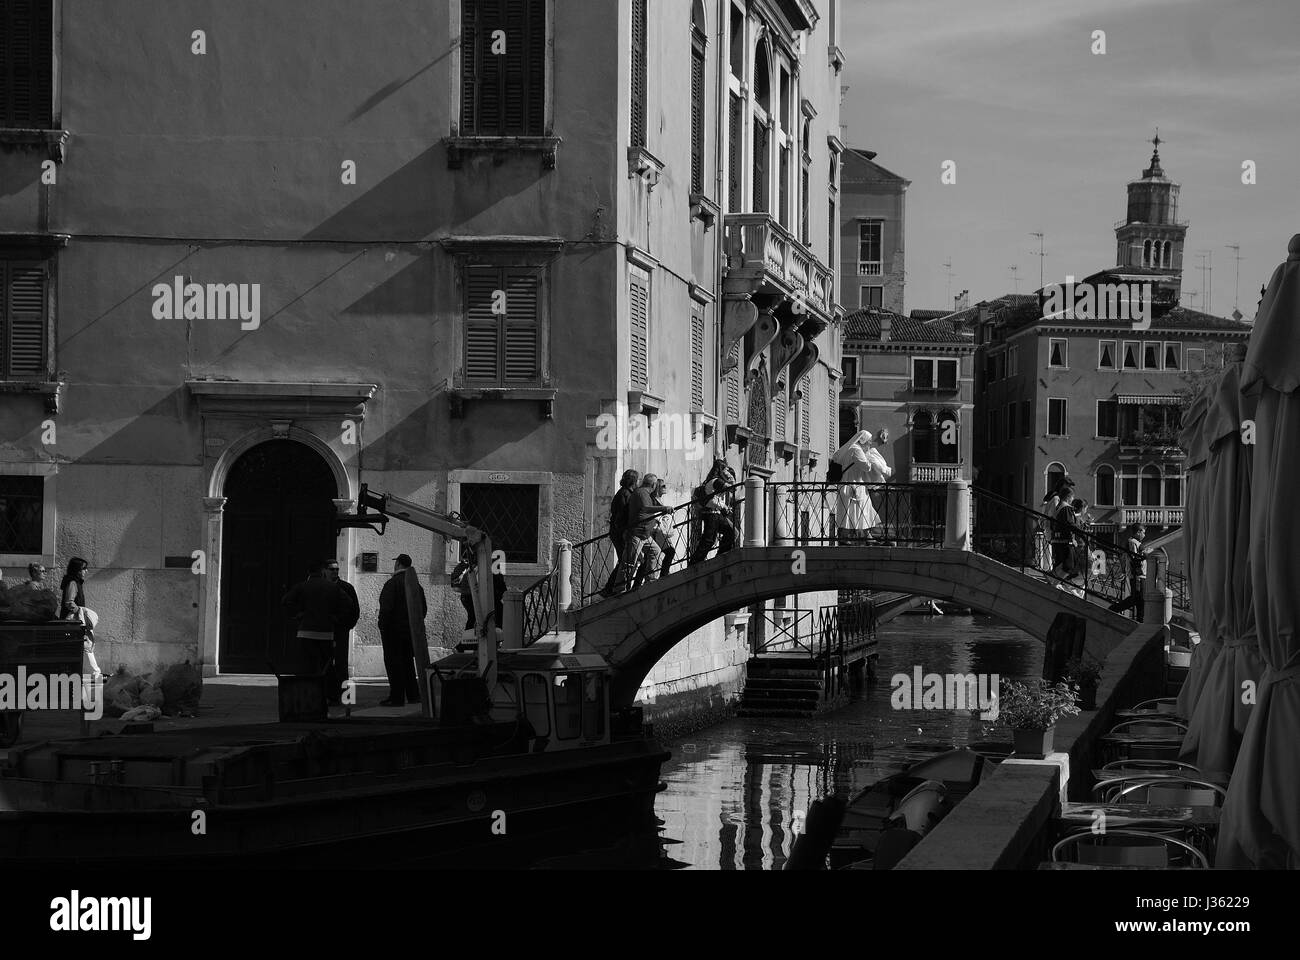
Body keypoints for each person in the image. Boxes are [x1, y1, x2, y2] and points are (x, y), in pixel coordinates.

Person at [281, 560, 347, 679]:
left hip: (306, 631)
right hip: (326, 632)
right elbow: (348, 604)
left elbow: (286, 602)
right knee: (326, 665)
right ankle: (328, 693)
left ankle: (308, 692)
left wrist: (298, 614)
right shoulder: (332, 587)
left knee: (306, 666)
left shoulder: (302, 586)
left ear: (309, 573)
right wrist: (336, 618)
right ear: (322, 572)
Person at [377, 554, 426, 706]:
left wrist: (382, 626)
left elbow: (386, 609)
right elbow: (423, 609)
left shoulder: (392, 584)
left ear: (398, 564)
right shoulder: (416, 585)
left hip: (393, 631)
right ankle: (413, 695)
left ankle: (396, 697)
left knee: (394, 664)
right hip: (410, 631)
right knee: (408, 663)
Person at [620, 474, 672, 590]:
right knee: (629, 563)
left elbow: (648, 509)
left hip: (645, 534)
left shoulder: (646, 494)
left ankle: (651, 581)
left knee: (656, 552)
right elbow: (645, 508)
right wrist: (663, 509)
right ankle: (619, 589)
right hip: (637, 533)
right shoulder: (641, 493)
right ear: (653, 485)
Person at [323, 559, 360, 706]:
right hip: (326, 631)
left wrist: (347, 626)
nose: (335, 572)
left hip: (341, 631)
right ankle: (331, 696)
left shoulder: (346, 587)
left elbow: (355, 609)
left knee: (342, 664)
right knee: (327, 664)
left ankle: (348, 698)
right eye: (331, 569)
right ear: (325, 571)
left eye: (336, 569)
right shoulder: (323, 587)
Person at [832, 431, 880, 544]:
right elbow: (866, 467)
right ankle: (861, 536)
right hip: (854, 484)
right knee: (860, 510)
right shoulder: (856, 450)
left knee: (852, 511)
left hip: (848, 484)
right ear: (862, 441)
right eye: (869, 442)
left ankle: (859, 536)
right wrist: (870, 457)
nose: (870, 445)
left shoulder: (850, 448)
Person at [599, 469, 640, 597]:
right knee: (625, 560)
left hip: (619, 531)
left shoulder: (626, 493)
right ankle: (611, 588)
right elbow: (621, 516)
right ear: (633, 481)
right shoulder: (624, 494)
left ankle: (614, 587)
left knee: (625, 560)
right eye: (637, 479)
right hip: (620, 532)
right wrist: (624, 531)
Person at [60, 558, 102, 679]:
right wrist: (80, 611)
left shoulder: (75, 582)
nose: (86, 571)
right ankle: (95, 672)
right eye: (84, 568)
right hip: (73, 620)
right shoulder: (73, 583)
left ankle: (71, 673)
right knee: (86, 644)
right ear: (77, 570)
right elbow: (69, 602)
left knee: (83, 644)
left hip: (74, 620)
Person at [689, 460, 737, 565]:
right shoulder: (716, 481)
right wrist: (730, 477)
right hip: (711, 514)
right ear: (721, 470)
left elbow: (717, 498)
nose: (726, 472)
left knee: (731, 532)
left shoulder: (714, 480)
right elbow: (732, 488)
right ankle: (695, 562)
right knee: (708, 540)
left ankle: (720, 556)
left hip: (715, 513)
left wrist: (724, 507)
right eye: (725, 469)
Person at [635, 476, 678, 587]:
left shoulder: (657, 499)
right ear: (656, 487)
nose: (665, 488)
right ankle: (660, 576)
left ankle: (645, 581)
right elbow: (649, 511)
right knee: (668, 552)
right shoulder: (651, 499)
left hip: (658, 531)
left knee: (652, 556)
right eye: (663, 486)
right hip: (655, 531)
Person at [1109, 524, 1148, 621]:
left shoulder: (1135, 542)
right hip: (1137, 575)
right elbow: (1134, 557)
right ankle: (1113, 609)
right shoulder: (1132, 542)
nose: (1144, 535)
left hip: (1140, 575)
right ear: (1138, 532)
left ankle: (1140, 620)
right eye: (1143, 532)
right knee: (1137, 598)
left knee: (1140, 600)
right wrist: (1146, 555)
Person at [864, 428, 894, 541]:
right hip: (873, 486)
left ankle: (873, 534)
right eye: (869, 441)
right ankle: (873, 534)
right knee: (873, 510)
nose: (871, 442)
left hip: (875, 486)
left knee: (873, 510)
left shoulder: (871, 453)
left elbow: (880, 467)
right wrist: (886, 470)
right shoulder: (869, 455)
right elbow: (880, 467)